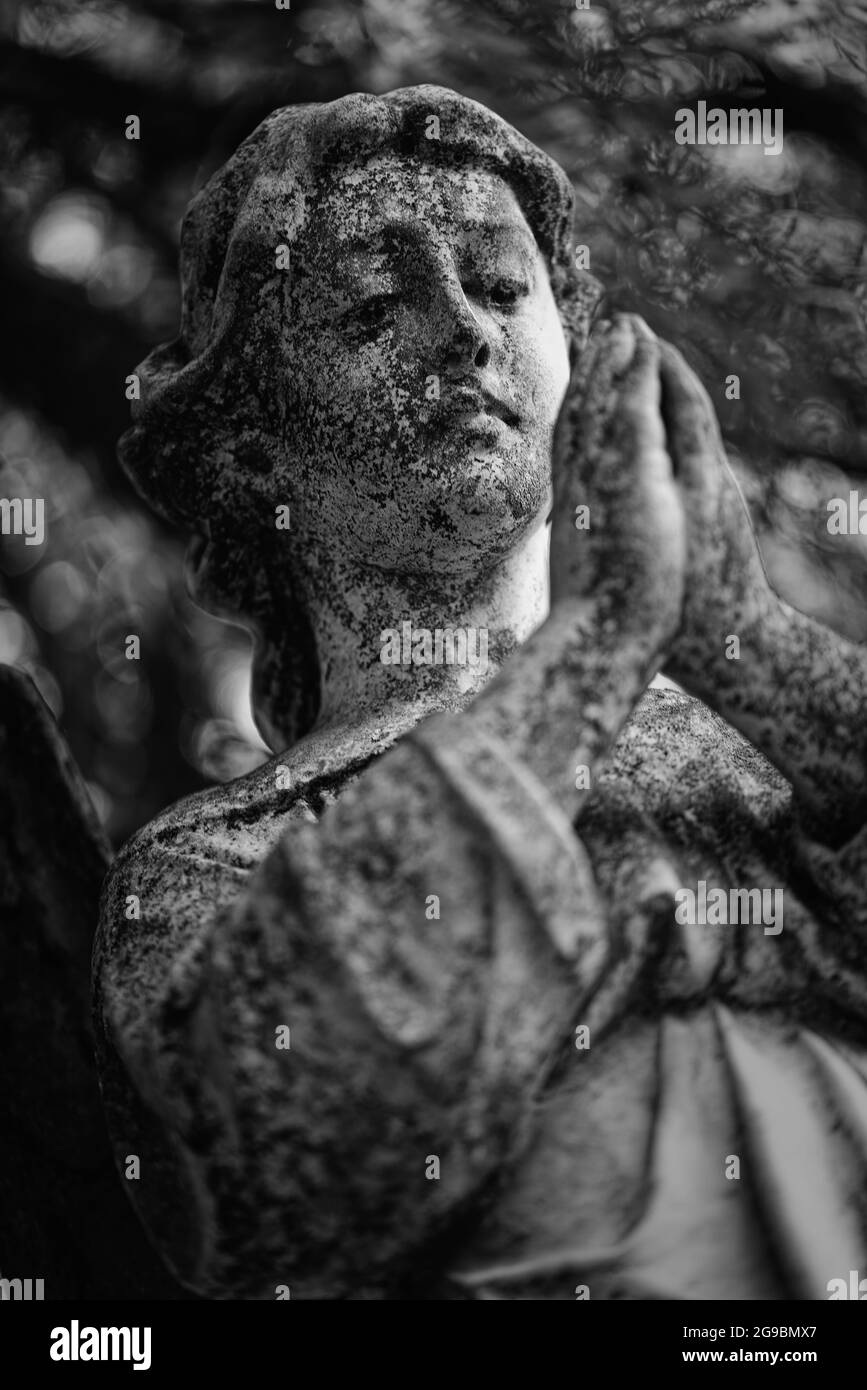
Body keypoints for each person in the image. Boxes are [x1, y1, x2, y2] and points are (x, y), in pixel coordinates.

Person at [94, 84, 867, 1301]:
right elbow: (274, 1155)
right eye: (370, 309)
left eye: (504, 287)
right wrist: (599, 644)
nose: (463, 331)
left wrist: (744, 647)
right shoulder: (217, 865)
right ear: (253, 451)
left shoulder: (768, 761)